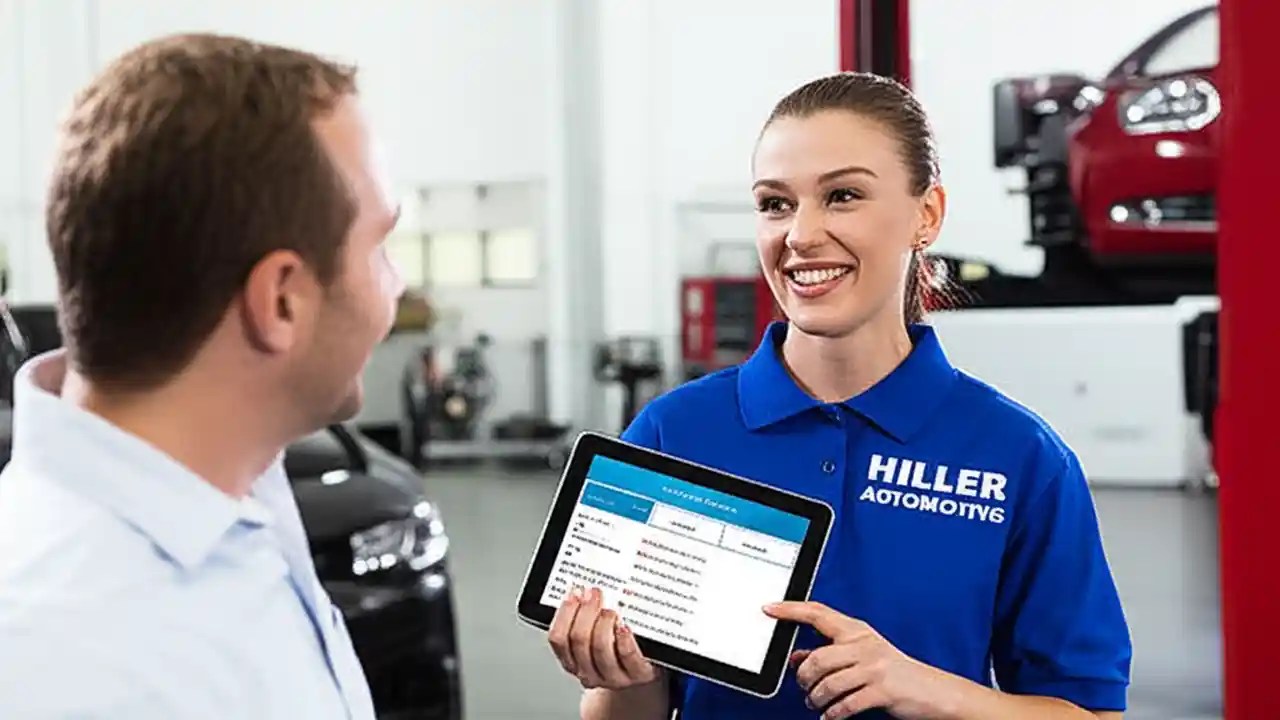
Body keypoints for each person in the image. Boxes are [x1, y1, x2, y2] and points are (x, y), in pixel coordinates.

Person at [547, 72, 1132, 719]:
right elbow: (630, 708)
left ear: (927, 215)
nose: (800, 234)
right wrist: (620, 676)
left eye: (843, 196)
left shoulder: (1019, 457)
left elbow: (1090, 712)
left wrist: (930, 690)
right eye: (776, 203)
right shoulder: (673, 433)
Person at [0, 34, 404, 718]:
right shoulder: (64, 661)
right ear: (281, 301)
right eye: (379, 250)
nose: (396, 287)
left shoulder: (234, 504)